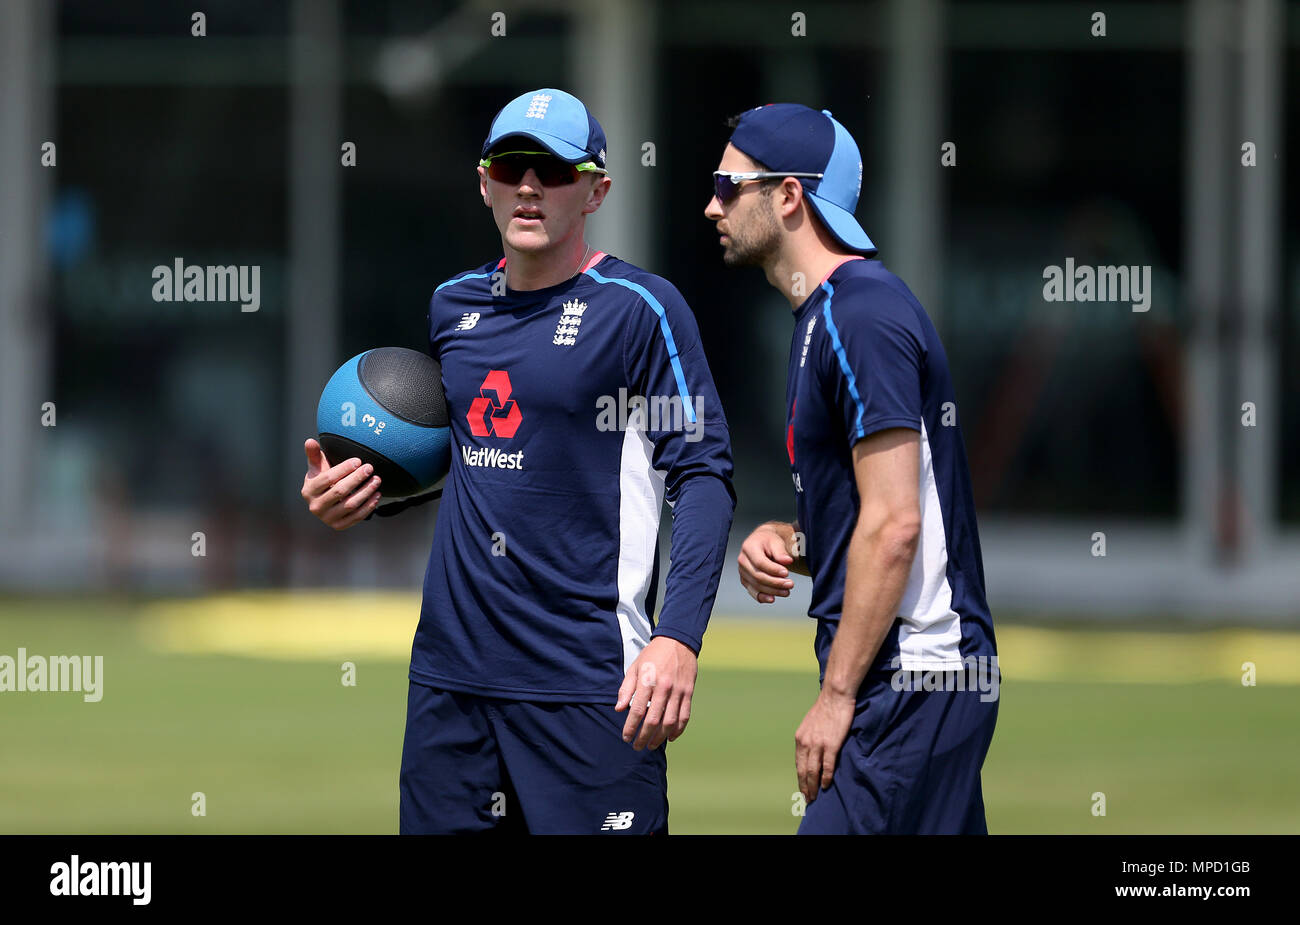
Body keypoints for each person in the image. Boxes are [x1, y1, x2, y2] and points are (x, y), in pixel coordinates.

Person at [301, 88, 735, 834]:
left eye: (555, 171)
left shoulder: (641, 310)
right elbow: (471, 462)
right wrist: (368, 494)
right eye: (511, 166)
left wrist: (678, 637)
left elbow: (703, 476)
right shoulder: (452, 306)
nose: (529, 185)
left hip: (592, 686)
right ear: (484, 182)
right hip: (451, 683)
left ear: (596, 189)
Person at [705, 104, 998, 834]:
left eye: (727, 184)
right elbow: (882, 515)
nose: (711, 204)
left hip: (912, 681)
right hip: (921, 682)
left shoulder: (858, 315)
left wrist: (837, 693)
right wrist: (796, 540)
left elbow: (897, 525)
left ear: (789, 196)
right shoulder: (825, 317)